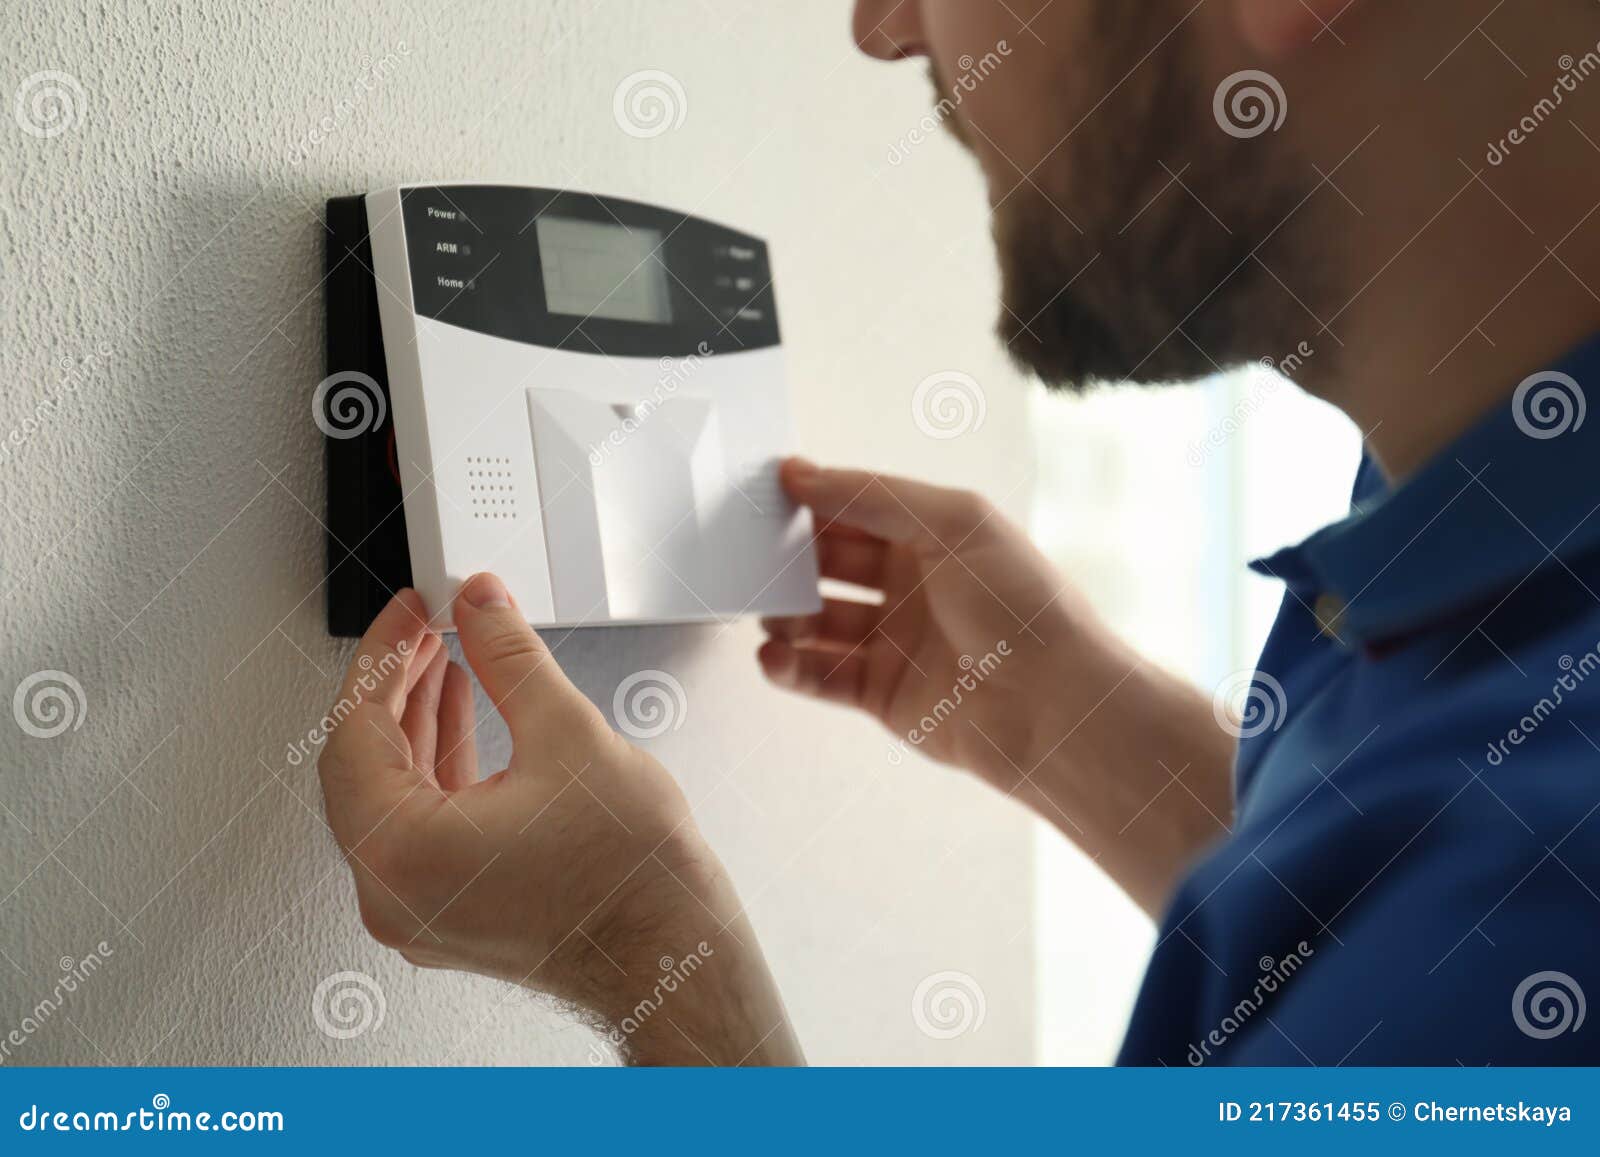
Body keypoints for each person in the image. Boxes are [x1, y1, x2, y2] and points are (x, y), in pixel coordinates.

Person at [316, 1, 1600, 1064]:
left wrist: (652, 959)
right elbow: (1376, 952)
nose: (880, 27)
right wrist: (1063, 721)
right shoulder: (1472, 525)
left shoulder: (1539, 879)